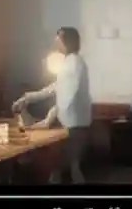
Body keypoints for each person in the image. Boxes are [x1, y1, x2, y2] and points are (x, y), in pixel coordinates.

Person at [12, 27, 92, 183]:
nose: (56, 43)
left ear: (68, 42)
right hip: (72, 122)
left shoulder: (75, 64)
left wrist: (49, 118)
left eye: (59, 40)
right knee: (62, 167)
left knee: (67, 166)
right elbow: (55, 88)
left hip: (74, 123)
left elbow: (68, 98)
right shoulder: (69, 63)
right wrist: (27, 98)